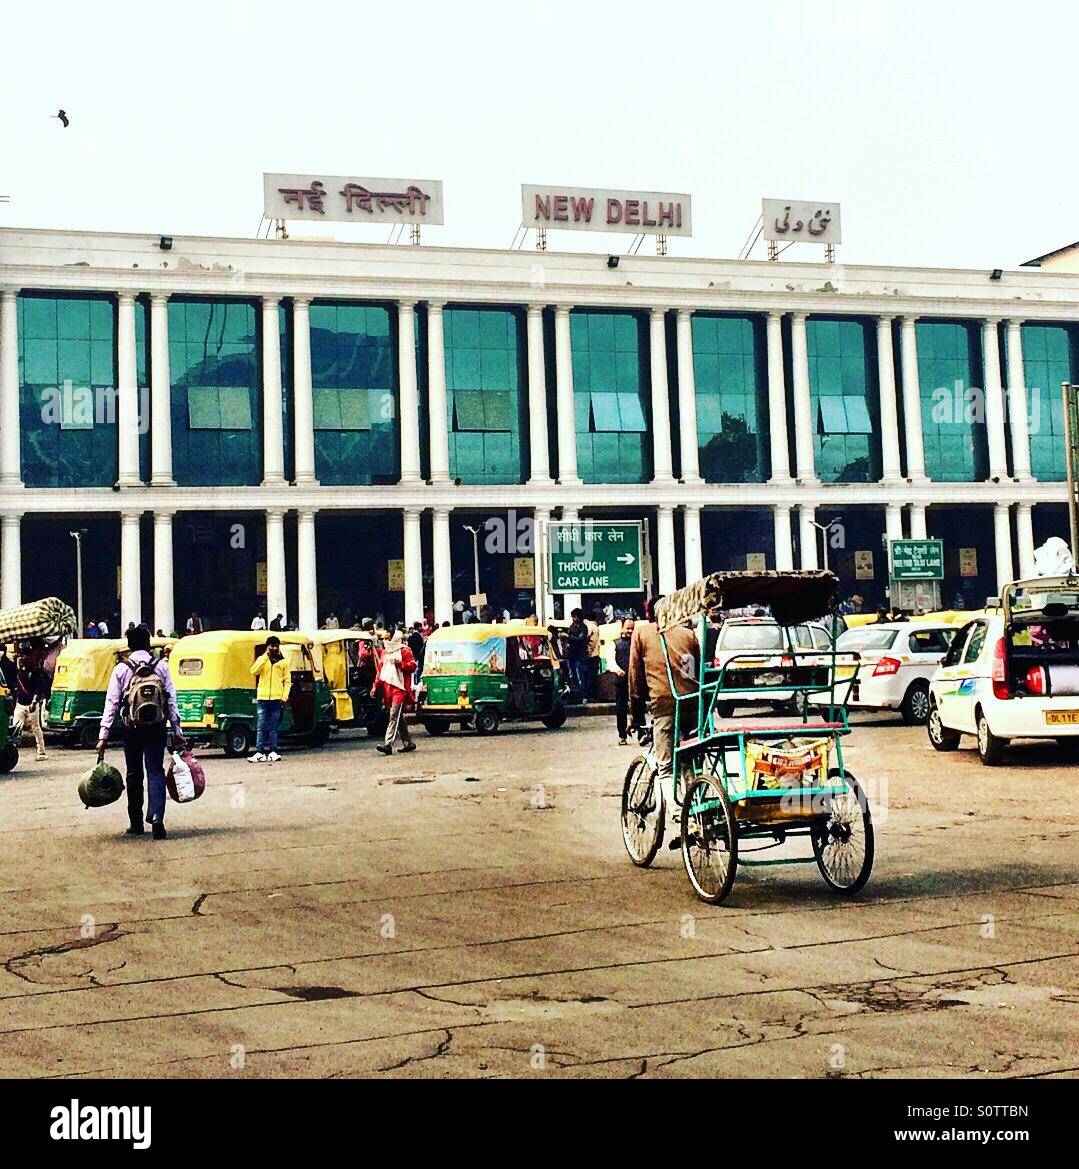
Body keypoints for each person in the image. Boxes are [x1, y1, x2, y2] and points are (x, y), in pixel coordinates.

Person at [96, 624, 183, 840]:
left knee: (134, 773)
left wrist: (103, 735)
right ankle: (157, 818)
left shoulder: (122, 669)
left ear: (129, 645)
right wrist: (178, 729)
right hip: (157, 726)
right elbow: (171, 699)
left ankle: (136, 823)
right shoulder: (161, 666)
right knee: (155, 771)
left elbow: (112, 703)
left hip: (131, 728)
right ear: (148, 643)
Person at [628, 598, 700, 809]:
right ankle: (696, 812)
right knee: (688, 763)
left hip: (664, 706)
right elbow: (693, 672)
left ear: (649, 614)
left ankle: (679, 818)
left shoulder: (642, 633)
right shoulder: (688, 634)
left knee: (665, 767)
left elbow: (635, 680)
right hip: (693, 705)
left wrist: (637, 716)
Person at [373, 628, 416, 756]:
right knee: (398, 716)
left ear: (394, 638)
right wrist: (375, 686)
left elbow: (413, 666)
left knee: (393, 715)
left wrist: (401, 664)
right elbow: (380, 671)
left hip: (400, 688)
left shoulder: (405, 651)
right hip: (388, 688)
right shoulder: (385, 653)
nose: (385, 640)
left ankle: (388, 744)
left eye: (387, 638)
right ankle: (408, 743)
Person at [249, 635, 290, 763]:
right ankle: (260, 752)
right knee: (261, 726)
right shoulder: (262, 659)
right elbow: (253, 671)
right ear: (268, 647)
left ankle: (273, 751)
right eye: (271, 646)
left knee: (273, 727)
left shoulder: (283, 662)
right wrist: (265, 656)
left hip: (277, 699)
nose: (274, 648)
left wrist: (284, 696)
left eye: (275, 646)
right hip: (262, 698)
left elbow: (287, 681)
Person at [13, 643, 49, 761]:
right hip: (20, 704)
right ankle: (11, 751)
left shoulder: (35, 672)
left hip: (31, 704)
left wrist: (34, 702)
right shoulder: (19, 671)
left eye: (25, 656)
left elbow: (39, 689)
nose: (23, 658)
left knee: (36, 728)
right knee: (15, 728)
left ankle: (41, 751)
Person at [612, 619, 635, 745]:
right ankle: (622, 735)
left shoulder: (637, 643)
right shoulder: (615, 643)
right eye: (627, 628)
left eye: (632, 628)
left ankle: (641, 732)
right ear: (622, 628)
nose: (630, 631)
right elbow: (611, 660)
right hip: (620, 680)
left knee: (638, 706)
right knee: (621, 708)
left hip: (635, 680)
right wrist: (617, 670)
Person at [565, 609, 591, 702]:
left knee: (580, 675)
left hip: (580, 655)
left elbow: (580, 639)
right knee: (572, 676)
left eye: (574, 616)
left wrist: (568, 637)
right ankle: (574, 695)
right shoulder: (572, 626)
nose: (573, 618)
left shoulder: (583, 627)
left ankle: (583, 696)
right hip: (571, 654)